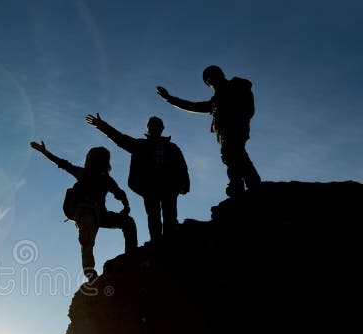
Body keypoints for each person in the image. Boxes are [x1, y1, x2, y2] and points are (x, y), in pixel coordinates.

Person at [30, 141, 137, 281]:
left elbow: (119, 193)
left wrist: (126, 206)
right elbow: (64, 164)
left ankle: (130, 256)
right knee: (88, 241)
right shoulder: (88, 174)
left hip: (100, 214)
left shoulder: (102, 178)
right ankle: (90, 273)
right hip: (86, 213)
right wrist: (45, 152)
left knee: (126, 223)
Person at [157, 65, 261, 198]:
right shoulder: (216, 101)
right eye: (208, 82)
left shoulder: (236, 86)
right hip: (226, 132)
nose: (210, 83)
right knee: (234, 156)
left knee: (234, 154)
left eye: (210, 80)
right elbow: (194, 106)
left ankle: (242, 184)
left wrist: (238, 121)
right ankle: (242, 184)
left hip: (235, 128)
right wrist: (170, 99)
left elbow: (248, 108)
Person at [86, 113, 189, 242]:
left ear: (161, 128)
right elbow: (120, 139)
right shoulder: (140, 145)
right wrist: (102, 126)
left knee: (170, 216)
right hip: (150, 186)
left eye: (157, 126)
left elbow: (182, 166)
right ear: (148, 129)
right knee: (154, 216)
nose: (155, 128)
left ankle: (170, 242)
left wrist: (184, 185)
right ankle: (156, 243)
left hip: (169, 186)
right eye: (152, 126)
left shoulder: (172, 147)